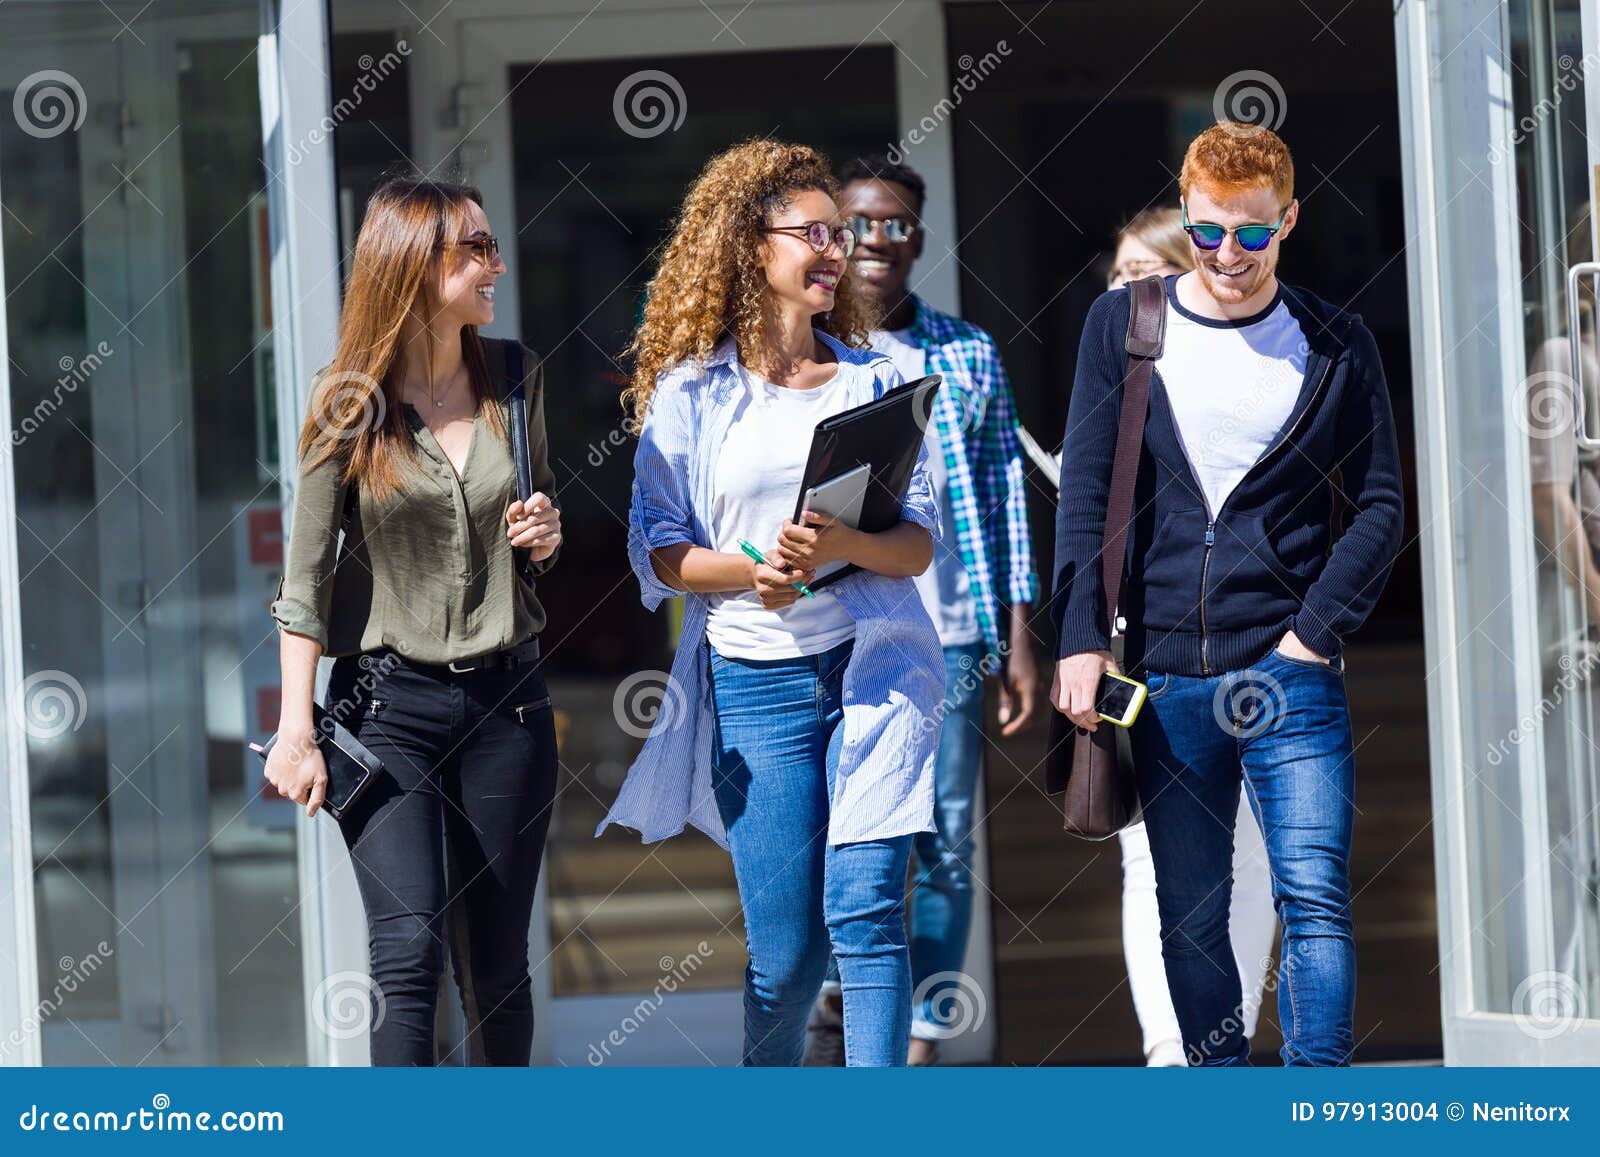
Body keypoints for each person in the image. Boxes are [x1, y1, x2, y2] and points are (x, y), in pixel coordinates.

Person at [1051, 123, 1405, 1066]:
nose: (1229, 256)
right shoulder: (1123, 327)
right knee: (1192, 914)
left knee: (1314, 896)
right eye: (1208, 232)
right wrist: (1080, 636)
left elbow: (1379, 507)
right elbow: (1085, 493)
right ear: (1187, 212)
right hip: (1165, 676)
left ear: (1289, 220)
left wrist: (1311, 636)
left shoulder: (1334, 344)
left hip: (1289, 674)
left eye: (1253, 234)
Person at [597, 139, 945, 1068]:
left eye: (842, 235)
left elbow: (916, 542)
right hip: (755, 682)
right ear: (753, 246)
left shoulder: (879, 382)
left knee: (868, 914)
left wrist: (843, 546)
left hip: (878, 671)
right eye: (814, 234)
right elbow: (662, 552)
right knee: (788, 961)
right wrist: (753, 569)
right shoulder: (691, 393)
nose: (836, 251)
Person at [265, 173, 563, 1066]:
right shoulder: (346, 399)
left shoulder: (513, 374)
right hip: (386, 713)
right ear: (412, 263)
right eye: (476, 248)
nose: (496, 264)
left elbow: (541, 529)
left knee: (498, 965)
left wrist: (545, 533)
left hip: (508, 706)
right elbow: (304, 579)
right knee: (407, 954)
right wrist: (295, 730)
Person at [802, 154, 1043, 1067]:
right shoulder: (808, 349)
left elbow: (1007, 503)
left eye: (894, 224)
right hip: (830, 634)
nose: (875, 242)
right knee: (833, 825)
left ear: (919, 239)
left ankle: (923, 1033)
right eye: (856, 223)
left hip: (947, 638)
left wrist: (1018, 639)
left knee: (942, 836)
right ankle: (838, 1002)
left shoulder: (967, 353)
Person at [1106, 208, 1277, 1066]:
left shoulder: (1253, 371)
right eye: (1117, 276)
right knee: (1152, 862)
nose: (1127, 293)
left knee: (1248, 856)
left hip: (1251, 650)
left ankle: (1226, 1044)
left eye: (1145, 274)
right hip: (1142, 654)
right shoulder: (1107, 379)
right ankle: (1172, 1050)